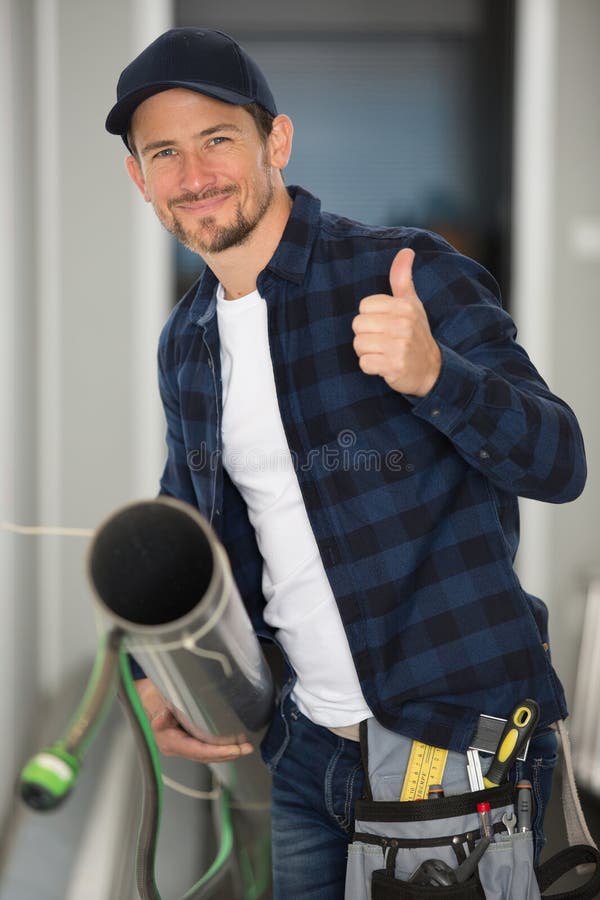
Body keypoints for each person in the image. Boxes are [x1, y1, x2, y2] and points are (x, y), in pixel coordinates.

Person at [105, 27, 586, 898]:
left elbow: (560, 462)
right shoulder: (188, 341)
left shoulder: (407, 273)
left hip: (448, 745)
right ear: (140, 179)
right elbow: (191, 535)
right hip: (303, 752)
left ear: (275, 142)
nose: (194, 174)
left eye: (218, 139)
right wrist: (157, 675)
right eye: (164, 153)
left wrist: (437, 375)